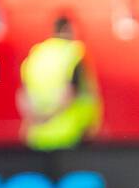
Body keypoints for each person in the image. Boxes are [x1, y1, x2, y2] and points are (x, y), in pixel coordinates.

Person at [17, 16, 102, 150]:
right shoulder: (74, 53)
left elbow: (23, 95)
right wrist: (50, 117)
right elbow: (70, 94)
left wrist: (36, 120)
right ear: (68, 29)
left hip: (39, 135)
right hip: (70, 134)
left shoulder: (36, 54)